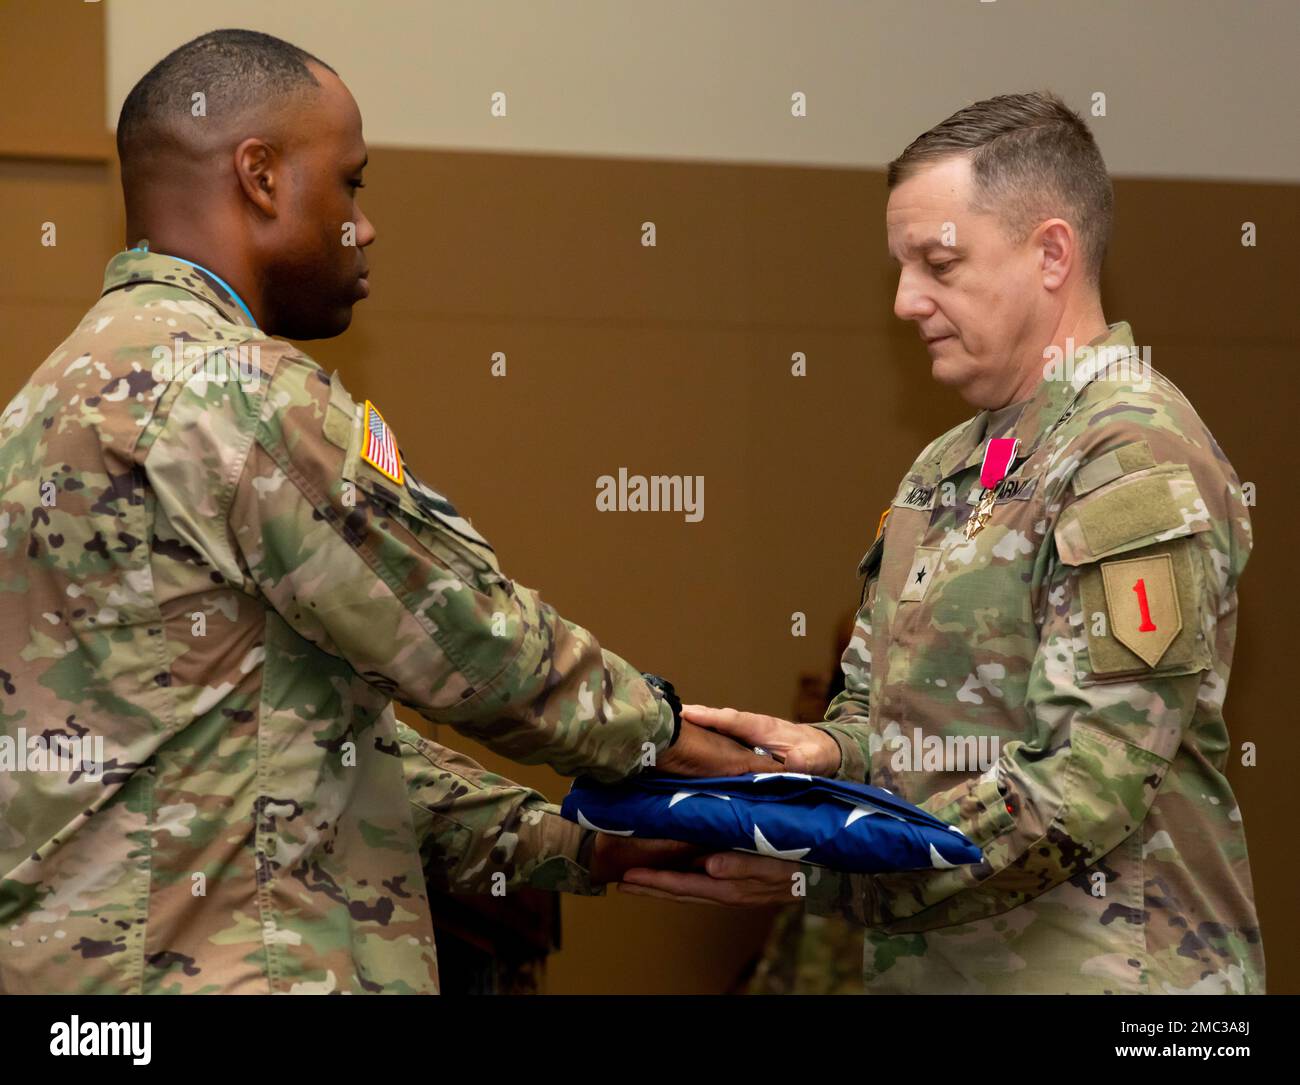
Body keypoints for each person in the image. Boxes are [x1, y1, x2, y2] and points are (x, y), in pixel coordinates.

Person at [0, 28, 768, 995]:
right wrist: (691, 747)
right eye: (353, 183)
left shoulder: (41, 405)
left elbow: (300, 737)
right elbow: (474, 645)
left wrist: (576, 843)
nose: (367, 225)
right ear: (262, 175)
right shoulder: (238, 392)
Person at [622, 92, 1265, 996]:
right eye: (900, 265)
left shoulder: (1131, 453)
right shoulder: (946, 464)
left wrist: (832, 870)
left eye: (939, 263)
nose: (904, 301)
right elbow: (894, 727)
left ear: (1050, 254)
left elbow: (1087, 782)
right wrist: (816, 762)